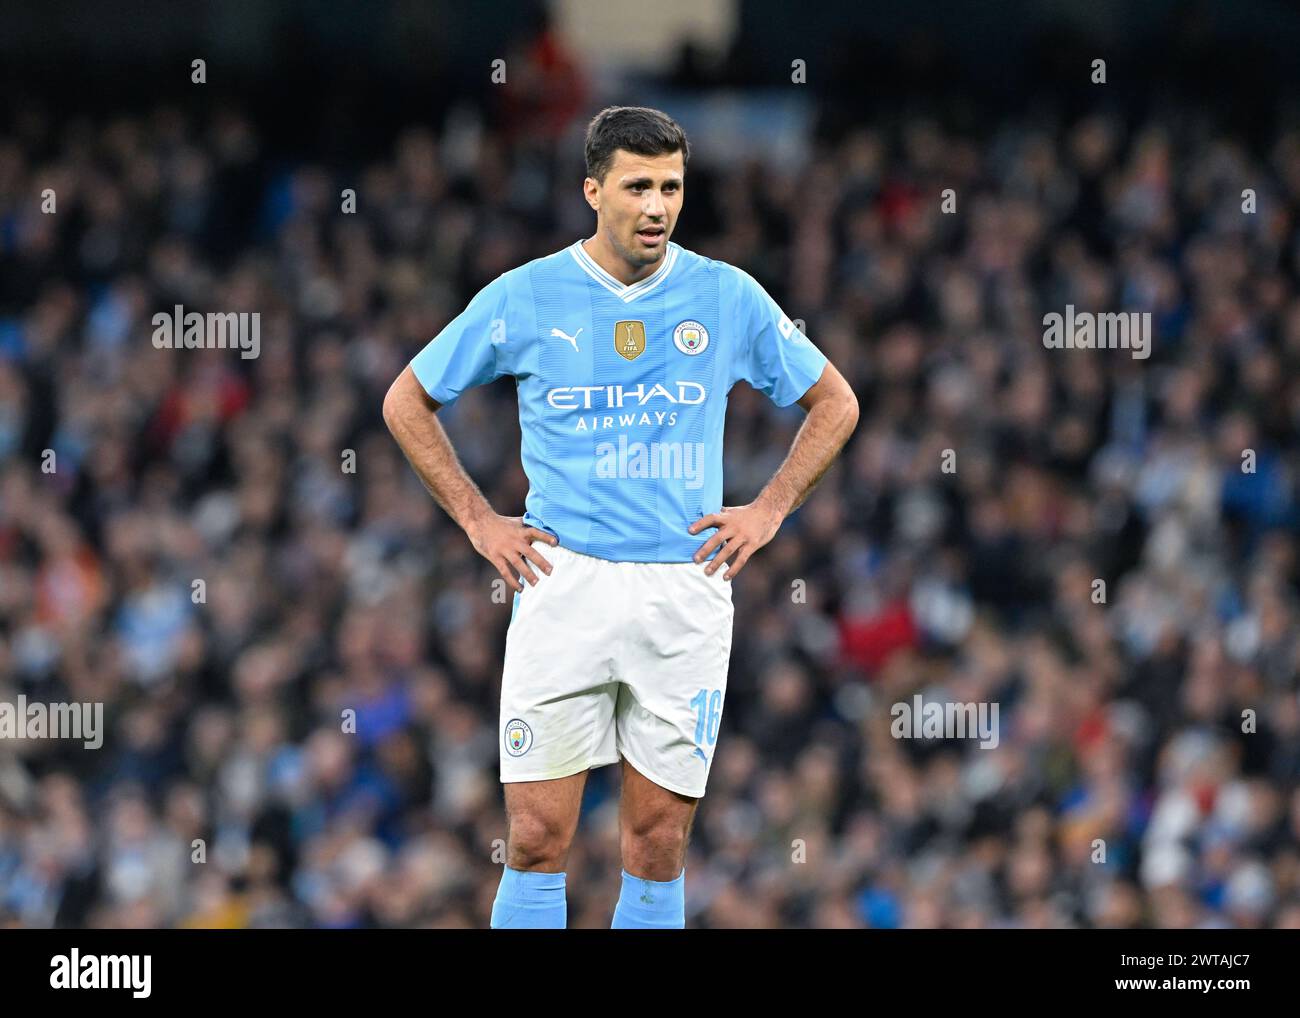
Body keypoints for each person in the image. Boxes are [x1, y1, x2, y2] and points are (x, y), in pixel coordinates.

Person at [382, 105, 859, 928]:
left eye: (671, 187)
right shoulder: (529, 294)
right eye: (638, 186)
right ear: (593, 191)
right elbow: (406, 400)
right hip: (564, 580)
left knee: (658, 842)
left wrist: (769, 509)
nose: (657, 206)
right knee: (536, 838)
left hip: (684, 587)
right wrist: (479, 521)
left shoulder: (726, 294)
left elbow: (836, 402)